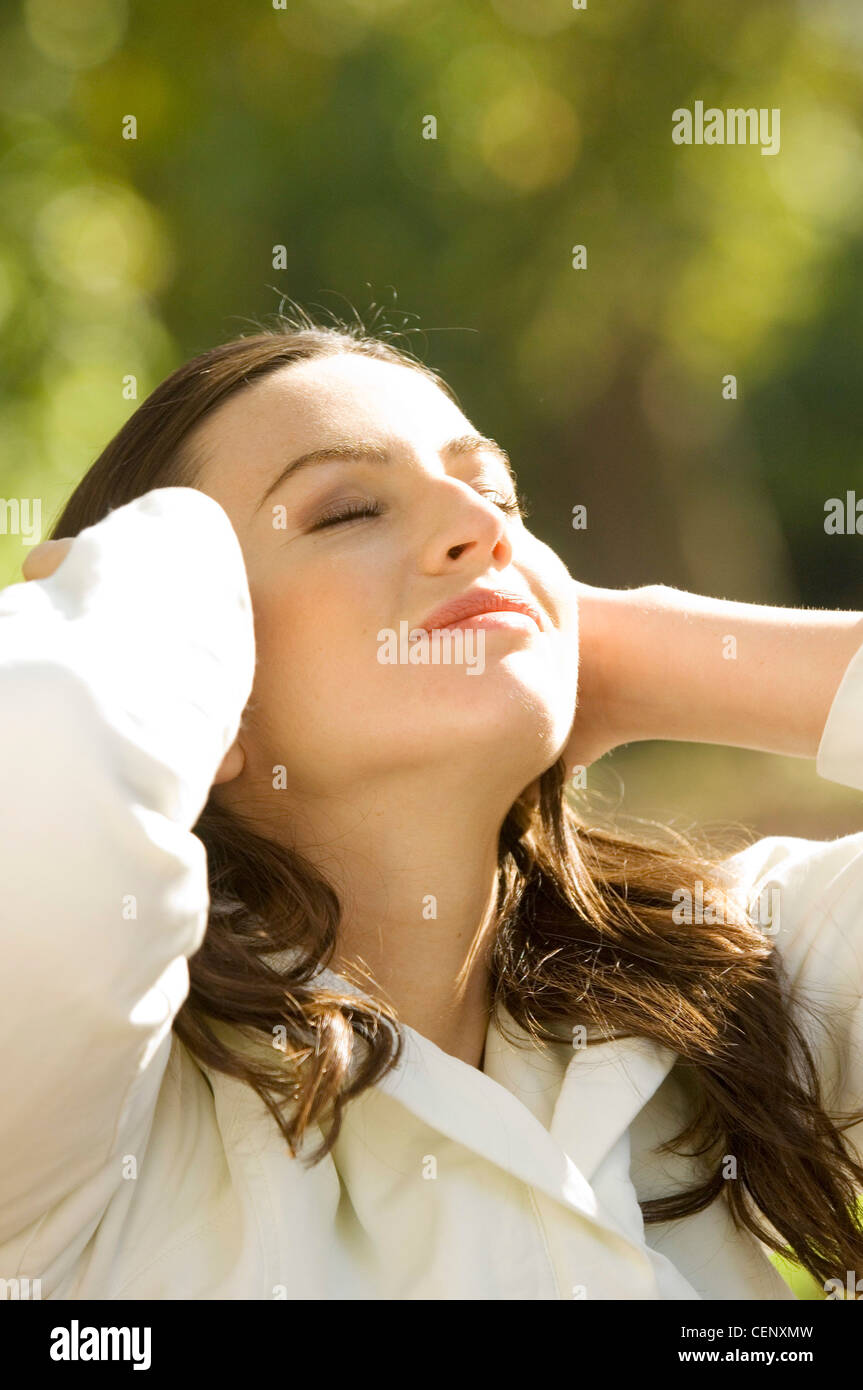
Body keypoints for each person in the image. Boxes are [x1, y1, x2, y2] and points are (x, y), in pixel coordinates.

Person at [2, 311, 862, 1301]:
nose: (483, 528)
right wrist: (146, 579)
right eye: (343, 512)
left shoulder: (724, 968)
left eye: (493, 493)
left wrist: (649, 651)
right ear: (188, 663)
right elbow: (36, 767)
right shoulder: (90, 1130)